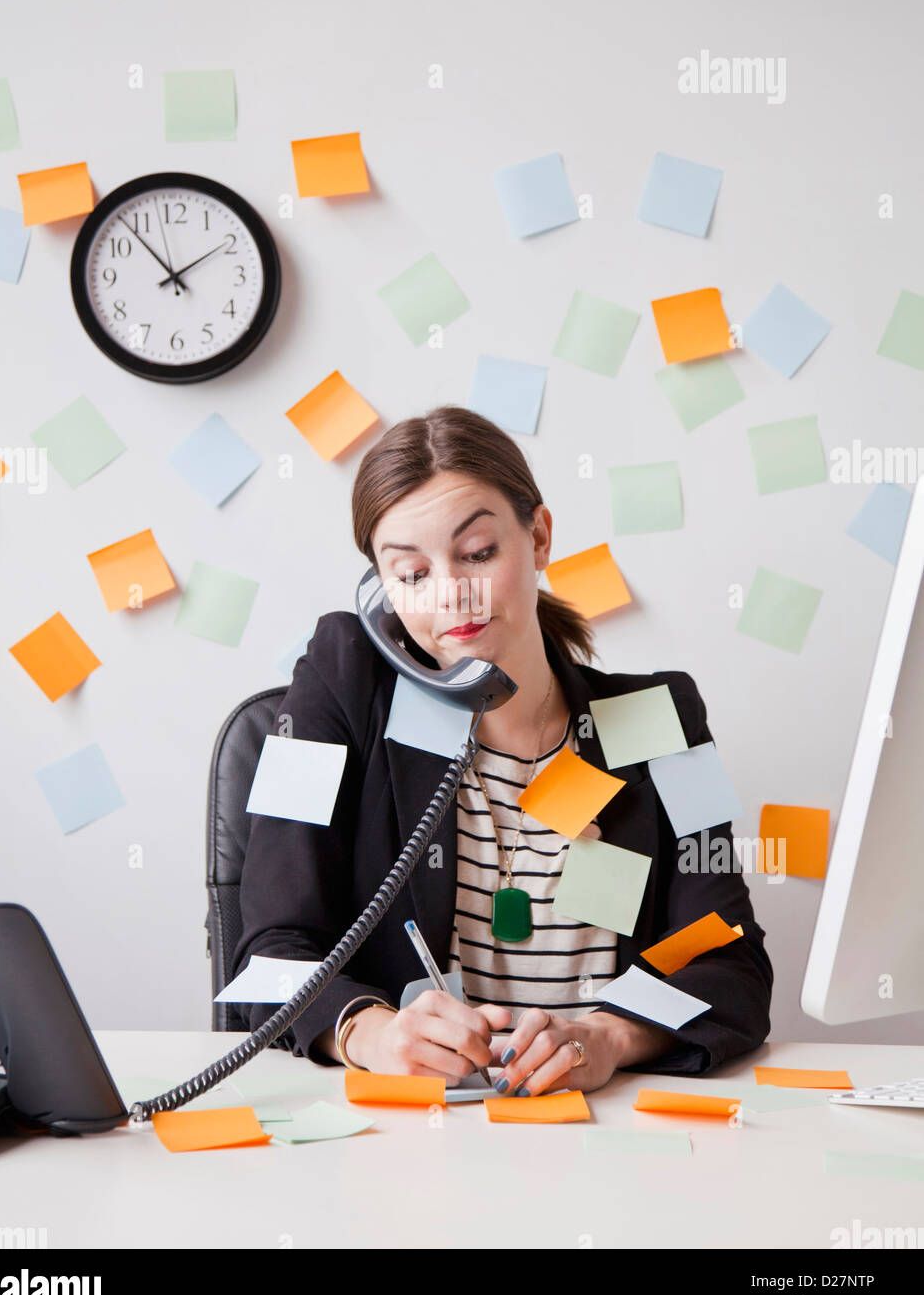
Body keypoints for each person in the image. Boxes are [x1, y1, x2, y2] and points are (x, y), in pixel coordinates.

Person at [232, 405, 773, 1097]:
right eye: (411, 574)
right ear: (381, 590)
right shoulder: (340, 678)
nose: (452, 596)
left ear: (539, 537)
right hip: (410, 1140)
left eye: (479, 553)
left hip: (601, 1128)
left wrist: (607, 1037)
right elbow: (269, 953)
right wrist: (371, 1033)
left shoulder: (656, 717)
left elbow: (731, 960)